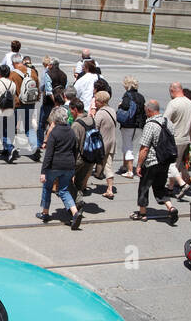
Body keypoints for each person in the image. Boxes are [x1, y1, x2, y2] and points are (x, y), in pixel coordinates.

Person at [37, 99, 84, 229]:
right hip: (68, 166)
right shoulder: (71, 131)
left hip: (54, 166)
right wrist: (73, 168)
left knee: (47, 188)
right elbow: (74, 151)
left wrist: (43, 172)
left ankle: (45, 213)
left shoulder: (54, 133)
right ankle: (75, 213)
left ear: (55, 119)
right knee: (63, 190)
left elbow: (49, 154)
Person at [132, 100, 181, 224]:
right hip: (164, 161)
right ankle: (171, 207)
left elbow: (145, 148)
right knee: (159, 186)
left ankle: (142, 213)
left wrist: (138, 165)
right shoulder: (167, 122)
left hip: (151, 161)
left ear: (149, 110)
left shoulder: (150, 124)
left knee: (144, 187)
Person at [164, 82, 191, 195]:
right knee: (177, 164)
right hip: (185, 138)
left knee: (170, 165)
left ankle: (182, 184)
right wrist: (189, 135)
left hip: (174, 138)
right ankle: (170, 187)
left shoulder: (173, 104)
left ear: (173, 91)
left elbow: (165, 121)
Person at [90, 90, 119, 199]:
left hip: (101, 144)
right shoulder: (112, 110)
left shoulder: (100, 113)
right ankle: (110, 189)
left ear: (101, 102)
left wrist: (92, 116)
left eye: (96, 100)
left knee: (90, 164)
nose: (95, 102)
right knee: (108, 166)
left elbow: (95, 129)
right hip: (112, 142)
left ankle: (82, 185)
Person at [115, 77, 145, 179]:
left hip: (128, 125)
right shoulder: (141, 97)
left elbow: (125, 106)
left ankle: (130, 171)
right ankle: (125, 165)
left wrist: (120, 105)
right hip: (139, 126)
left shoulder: (127, 96)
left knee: (128, 147)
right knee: (128, 145)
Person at [12, 55, 41, 152]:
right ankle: (34, 146)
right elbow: (37, 86)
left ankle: (9, 148)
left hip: (17, 104)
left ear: (14, 63)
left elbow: (10, 90)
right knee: (29, 127)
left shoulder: (13, 74)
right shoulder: (32, 72)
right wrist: (37, 98)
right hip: (30, 102)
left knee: (11, 126)